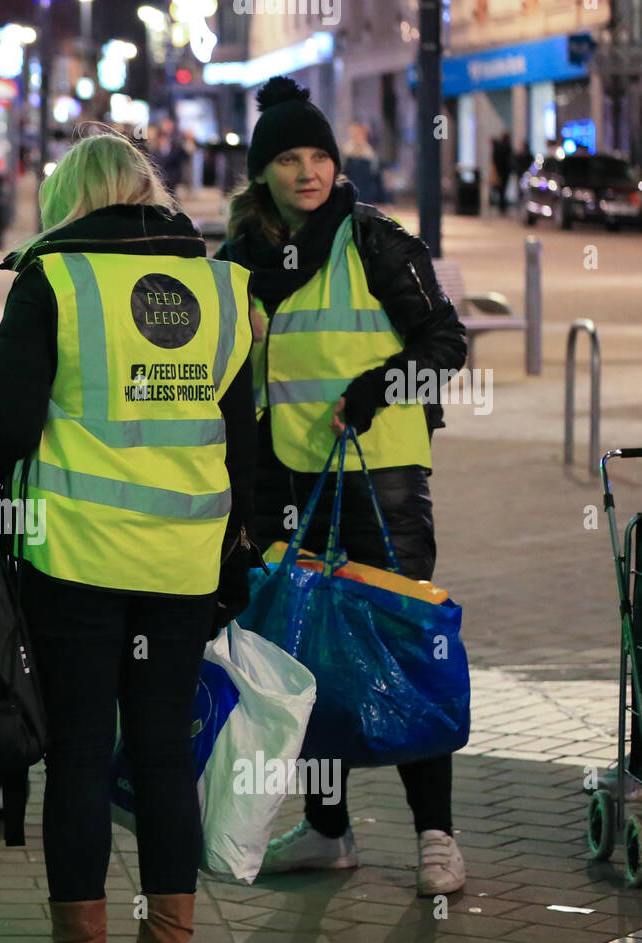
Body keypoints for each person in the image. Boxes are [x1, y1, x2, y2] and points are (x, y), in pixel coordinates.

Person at [0, 128, 257, 943]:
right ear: (147, 191)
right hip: (182, 557)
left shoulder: (54, 279)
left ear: (67, 203)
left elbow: (9, 427)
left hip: (79, 555)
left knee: (84, 755)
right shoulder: (222, 286)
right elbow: (245, 439)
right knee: (166, 753)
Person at [215, 76, 469, 896]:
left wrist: (380, 385)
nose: (308, 172)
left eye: (319, 155)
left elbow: (446, 342)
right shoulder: (237, 266)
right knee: (309, 652)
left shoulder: (375, 242)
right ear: (262, 174)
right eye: (288, 158)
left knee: (401, 637)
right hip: (286, 484)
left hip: (381, 480)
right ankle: (328, 830)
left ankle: (437, 836)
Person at [342, 123, 384, 205]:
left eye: (358, 134)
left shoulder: (371, 154)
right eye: (354, 134)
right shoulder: (345, 153)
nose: (356, 137)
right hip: (349, 195)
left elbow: (377, 178)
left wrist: (382, 200)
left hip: (367, 196)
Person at [491, 131, 513, 214]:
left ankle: (502, 205)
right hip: (505, 171)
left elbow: (495, 160)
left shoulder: (500, 147)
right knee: (503, 189)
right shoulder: (507, 147)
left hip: (501, 171)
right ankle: (502, 205)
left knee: (501, 189)